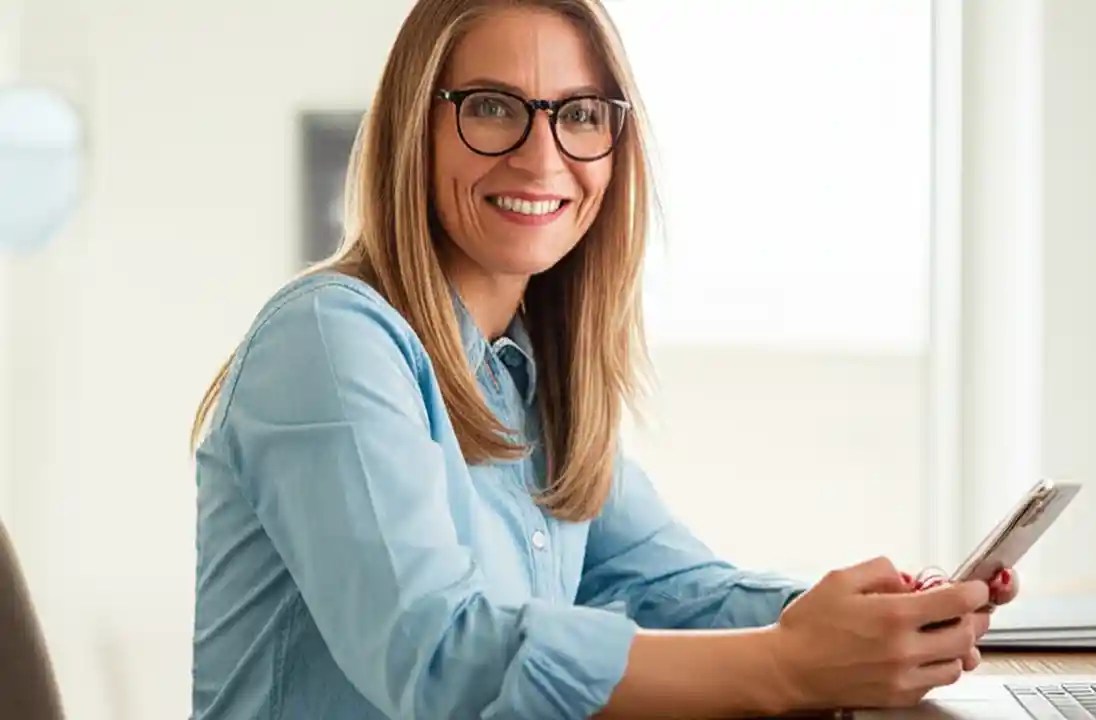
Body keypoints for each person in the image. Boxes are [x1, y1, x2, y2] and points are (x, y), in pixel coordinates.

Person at [187, 1, 1019, 718]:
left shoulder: (532, 384)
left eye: (581, 114)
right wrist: (786, 663)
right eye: (491, 107)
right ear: (417, 127)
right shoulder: (331, 339)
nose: (542, 156)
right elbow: (436, 655)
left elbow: (673, 589)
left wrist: (860, 620)